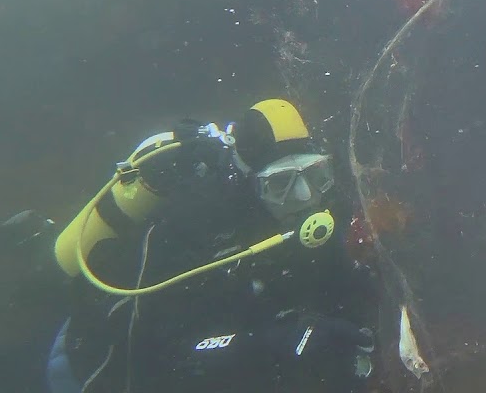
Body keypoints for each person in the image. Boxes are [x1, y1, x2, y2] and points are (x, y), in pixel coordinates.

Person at [22, 98, 376, 393]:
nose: (303, 198)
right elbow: (164, 355)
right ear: (248, 183)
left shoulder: (305, 212)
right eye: (279, 183)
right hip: (88, 366)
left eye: (314, 175)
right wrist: (275, 343)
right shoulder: (194, 224)